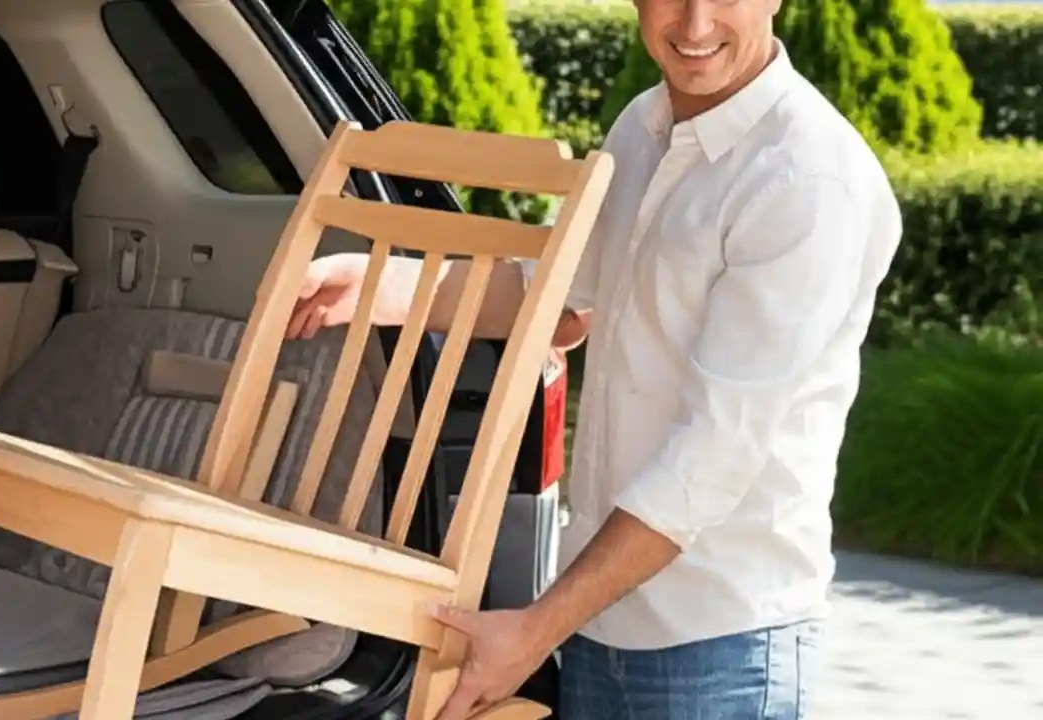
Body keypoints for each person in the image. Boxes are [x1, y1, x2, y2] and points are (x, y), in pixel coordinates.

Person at [285, 0, 903, 717]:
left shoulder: (807, 179)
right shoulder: (642, 127)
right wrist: (382, 283)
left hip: (722, 648)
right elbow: (553, 296)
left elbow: (712, 458)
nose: (696, 25)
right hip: (599, 628)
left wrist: (534, 629)